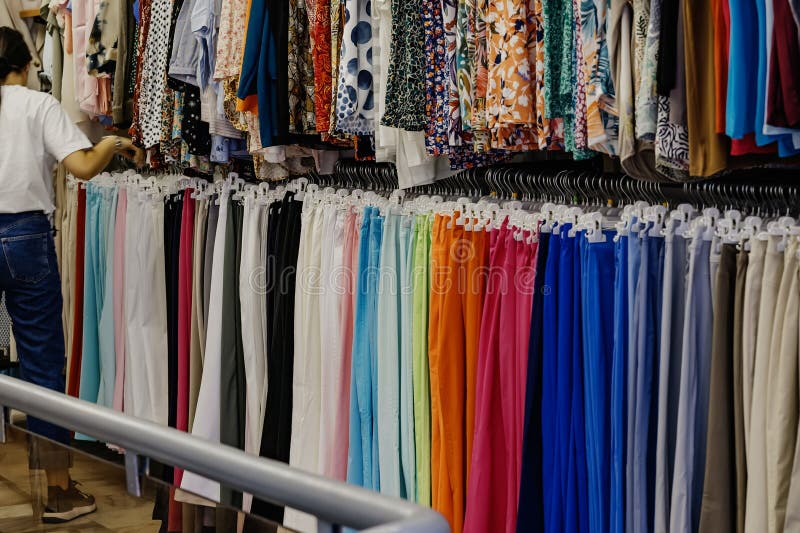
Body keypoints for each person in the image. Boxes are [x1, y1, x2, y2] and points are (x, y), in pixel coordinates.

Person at [0, 26, 144, 523]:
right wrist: (111, 143)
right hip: (24, 238)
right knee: (41, 366)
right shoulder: (36, 105)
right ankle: (59, 493)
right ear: (24, 65)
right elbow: (81, 166)